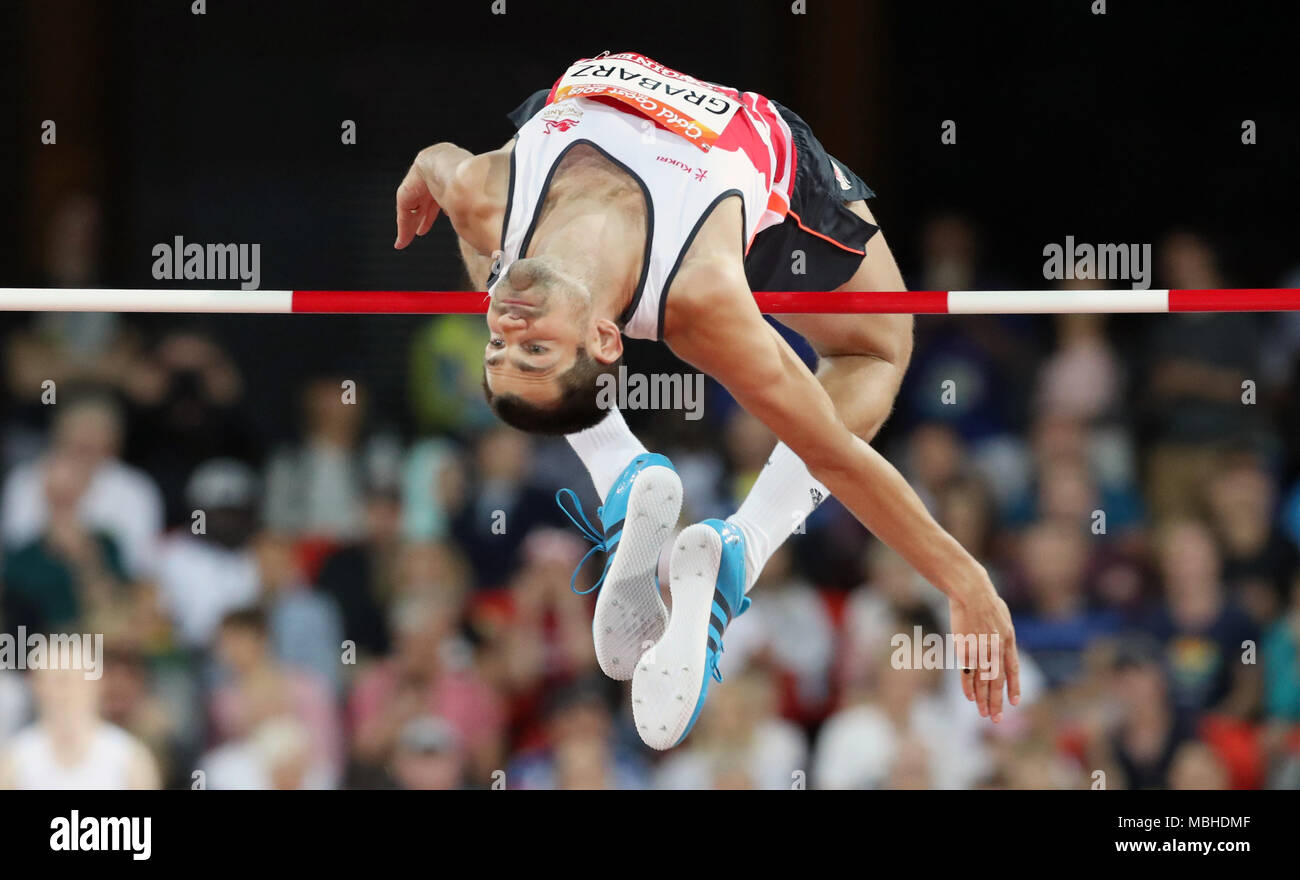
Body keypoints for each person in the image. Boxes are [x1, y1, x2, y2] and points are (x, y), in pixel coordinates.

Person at [393, 51, 1017, 749]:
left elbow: (438, 158)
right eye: (534, 349)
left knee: (487, 241)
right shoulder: (700, 299)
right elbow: (833, 454)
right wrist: (964, 578)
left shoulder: (483, 197)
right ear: (605, 339)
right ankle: (739, 550)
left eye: (499, 348)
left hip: (577, 124)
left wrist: (426, 163)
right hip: (747, 170)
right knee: (875, 349)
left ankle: (623, 470)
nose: (507, 328)